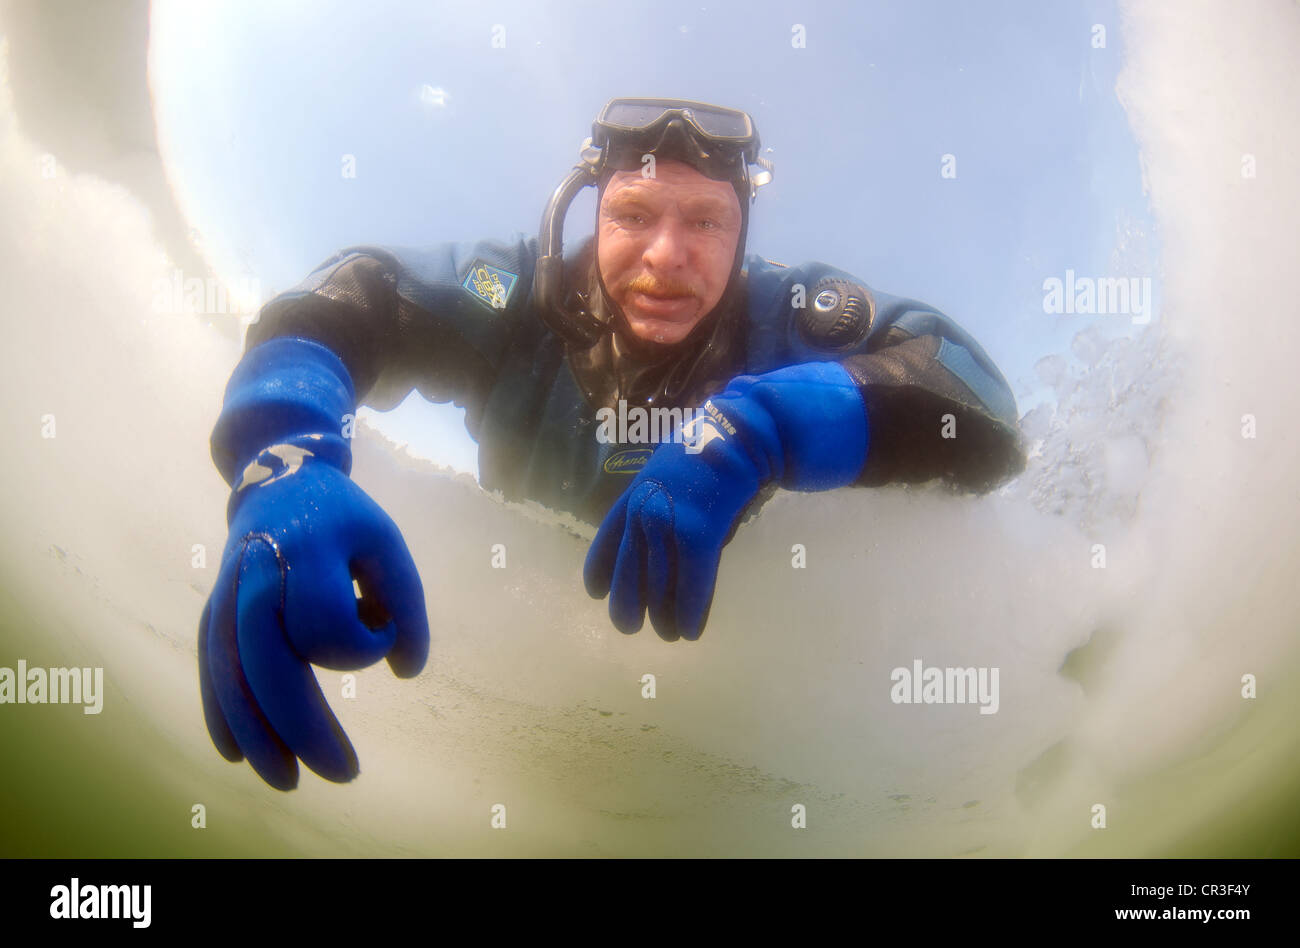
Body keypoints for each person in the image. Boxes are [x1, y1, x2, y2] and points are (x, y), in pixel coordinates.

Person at [199, 98, 1025, 790]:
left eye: (707, 220)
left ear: (744, 235)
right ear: (589, 208)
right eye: (633, 214)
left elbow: (976, 398)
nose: (668, 258)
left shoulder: (791, 313)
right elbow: (354, 298)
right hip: (523, 701)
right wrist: (283, 453)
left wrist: (766, 423)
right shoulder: (519, 295)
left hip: (725, 724)